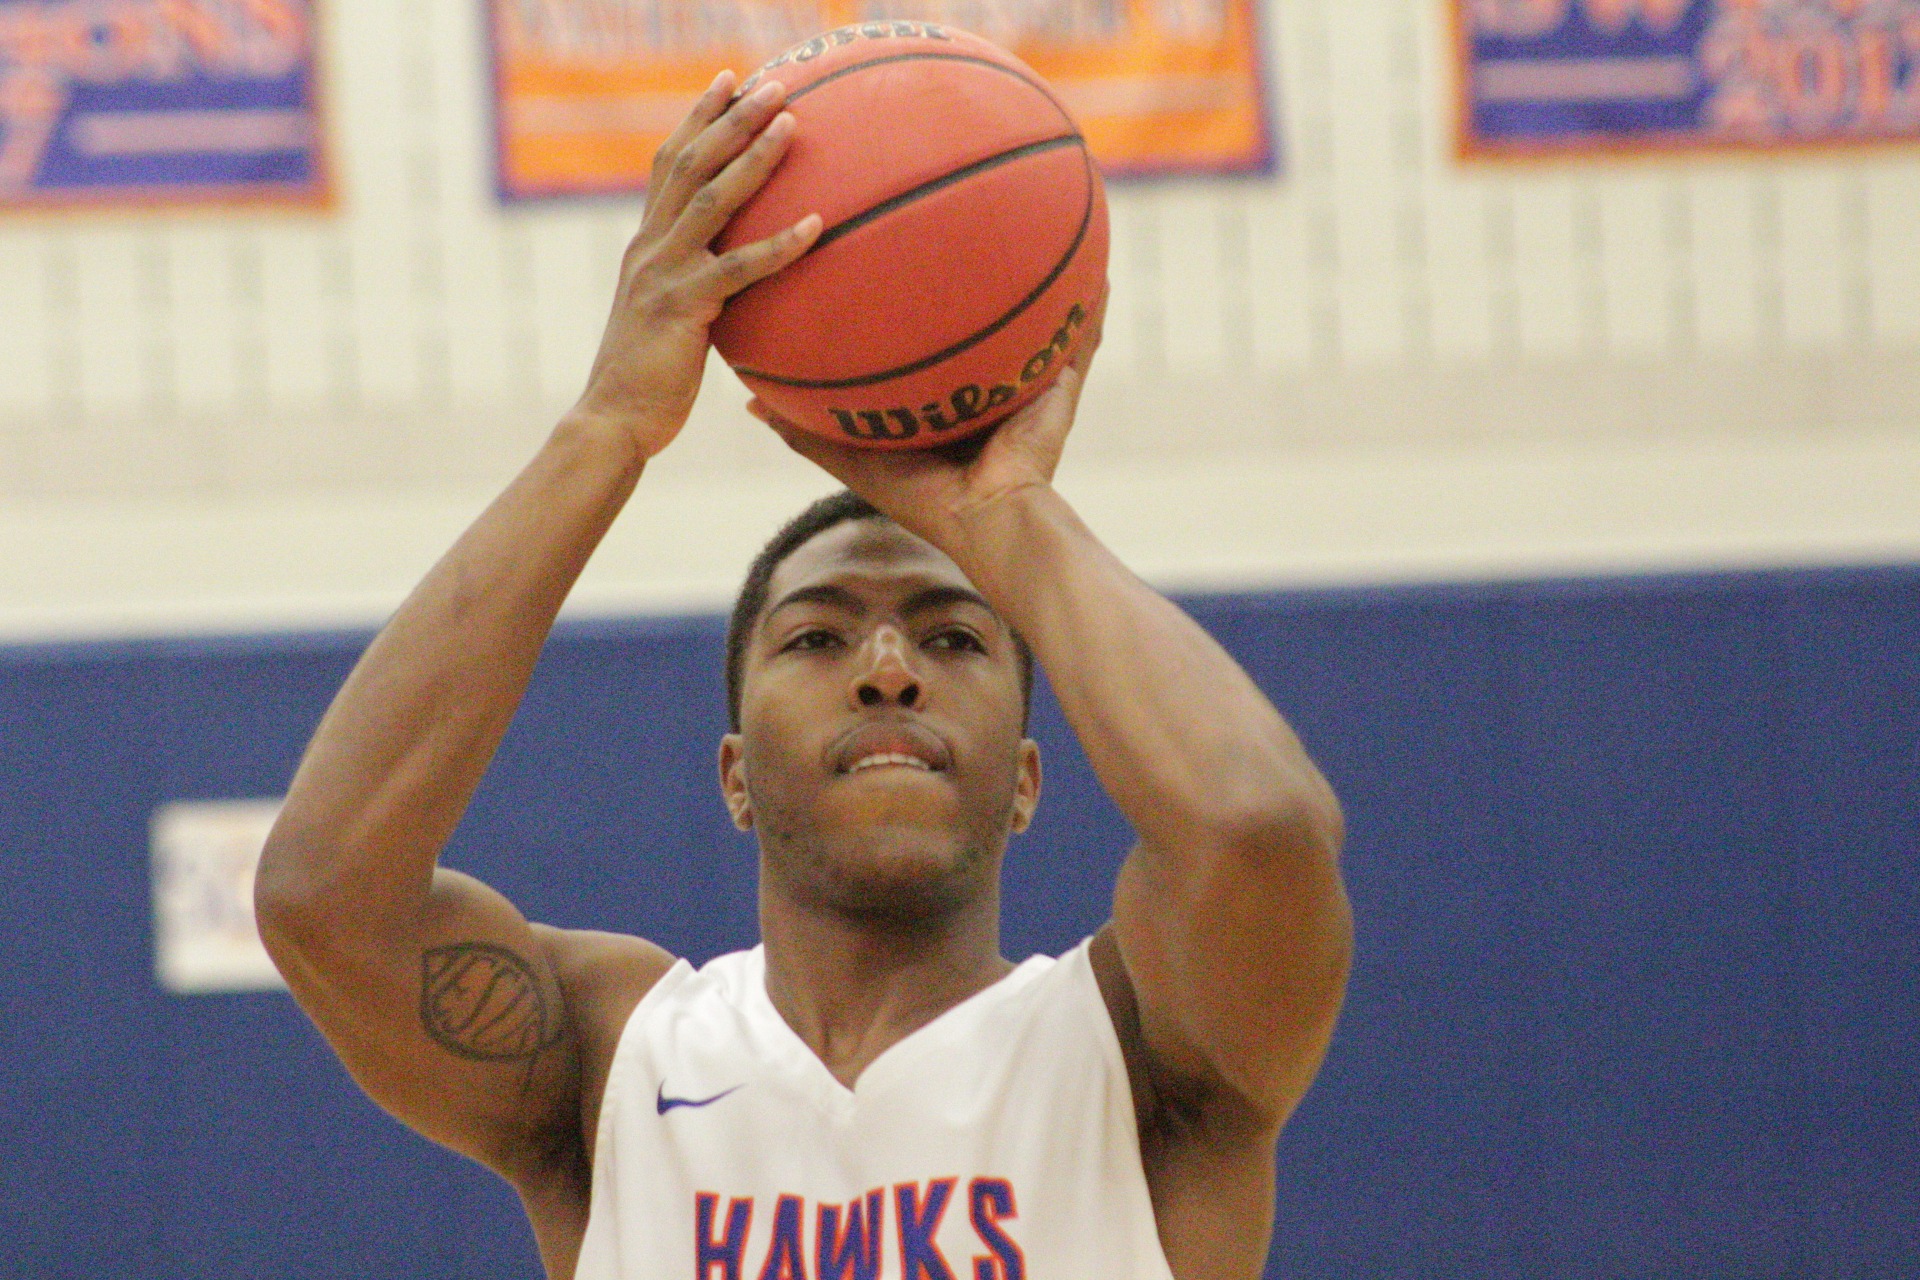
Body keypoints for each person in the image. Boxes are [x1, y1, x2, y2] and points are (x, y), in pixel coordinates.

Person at [254, 69, 1351, 1280]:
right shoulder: (617, 1061)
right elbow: (323, 896)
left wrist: (1015, 520)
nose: (887, 668)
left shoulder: (1143, 1053)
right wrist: (608, 426)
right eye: (818, 636)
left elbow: (1257, 827)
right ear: (732, 772)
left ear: (1031, 778)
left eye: (954, 636)